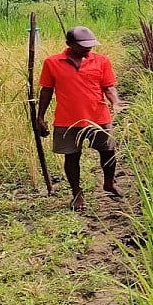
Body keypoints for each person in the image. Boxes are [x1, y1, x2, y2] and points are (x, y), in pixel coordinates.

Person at [36, 26, 125, 212]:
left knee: (108, 151)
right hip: (67, 119)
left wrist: (115, 102)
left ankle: (109, 182)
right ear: (69, 44)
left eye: (91, 45)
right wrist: (40, 117)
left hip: (98, 117)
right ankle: (77, 193)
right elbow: (46, 91)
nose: (88, 48)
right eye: (83, 45)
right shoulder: (52, 62)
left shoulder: (101, 61)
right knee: (72, 156)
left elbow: (109, 86)